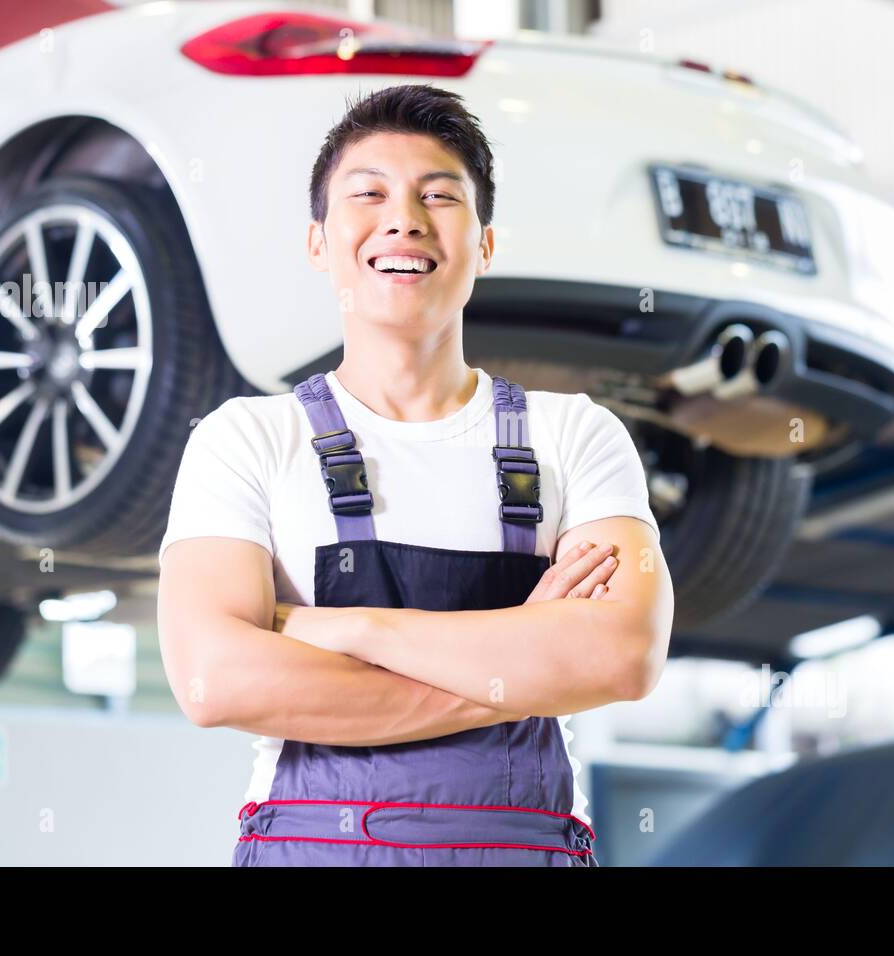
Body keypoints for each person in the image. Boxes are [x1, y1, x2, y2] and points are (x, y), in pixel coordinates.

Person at [156, 83, 674, 867]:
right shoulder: (247, 440)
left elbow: (622, 658)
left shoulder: (573, 435)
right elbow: (213, 682)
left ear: (486, 245)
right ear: (319, 242)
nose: (404, 218)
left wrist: (350, 630)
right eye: (369, 194)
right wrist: (526, 666)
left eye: (440, 196)